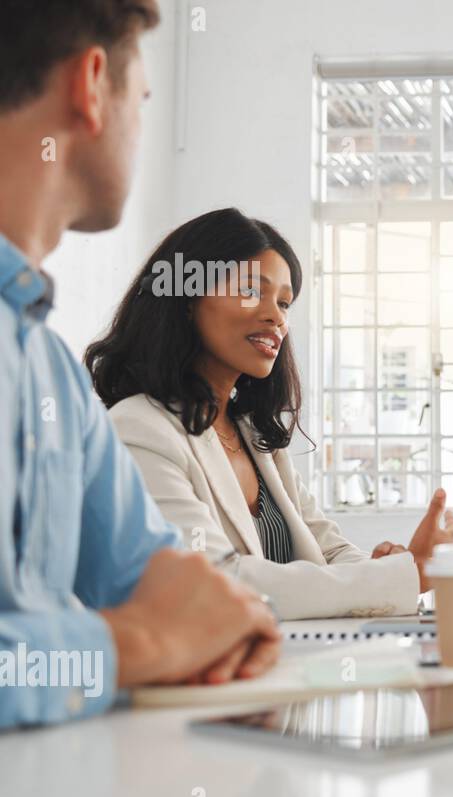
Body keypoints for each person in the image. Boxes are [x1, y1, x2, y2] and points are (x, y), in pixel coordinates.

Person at [0, 0, 279, 729]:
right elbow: (154, 623)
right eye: (143, 100)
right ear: (92, 85)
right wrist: (135, 645)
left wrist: (226, 624)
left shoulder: (49, 370)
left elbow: (166, 583)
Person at [85, 208, 453, 619]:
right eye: (252, 291)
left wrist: (392, 568)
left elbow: (329, 550)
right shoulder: (138, 431)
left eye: (284, 302)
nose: (276, 317)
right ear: (187, 299)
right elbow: (217, 583)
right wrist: (403, 576)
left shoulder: (254, 436)